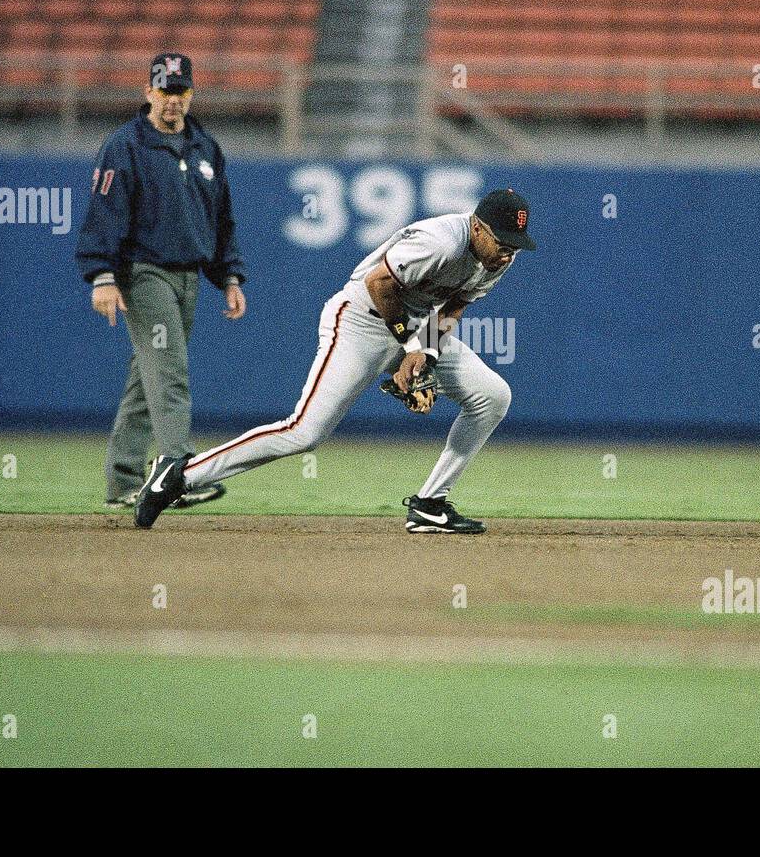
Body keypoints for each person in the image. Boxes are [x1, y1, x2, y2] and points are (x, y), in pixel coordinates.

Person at [132, 189, 537, 532]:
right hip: (360, 319)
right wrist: (407, 346)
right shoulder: (441, 241)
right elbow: (378, 284)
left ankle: (430, 504)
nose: (506, 254)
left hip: (414, 326)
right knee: (305, 431)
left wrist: (423, 358)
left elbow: (454, 305)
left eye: (514, 244)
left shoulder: (498, 256)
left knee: (492, 396)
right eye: (502, 242)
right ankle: (178, 475)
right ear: (478, 227)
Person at [76, 52, 246, 510]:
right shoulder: (125, 146)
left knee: (146, 376)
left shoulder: (205, 147)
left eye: (181, 92)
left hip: (189, 276)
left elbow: (221, 218)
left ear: (191, 94)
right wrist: (102, 275)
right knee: (169, 371)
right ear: (148, 91)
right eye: (165, 91)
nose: (173, 101)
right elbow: (104, 213)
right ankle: (177, 470)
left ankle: (124, 481)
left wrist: (228, 274)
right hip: (143, 273)